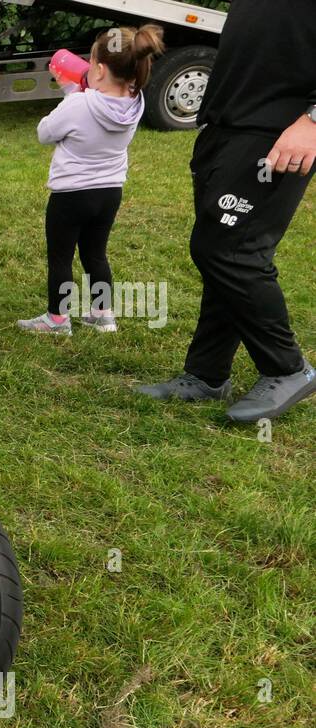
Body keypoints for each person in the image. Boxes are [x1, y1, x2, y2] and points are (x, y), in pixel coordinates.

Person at [137, 0, 316, 422]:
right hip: (227, 123)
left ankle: (286, 367)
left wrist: (312, 120)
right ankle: (207, 374)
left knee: (229, 249)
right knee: (222, 254)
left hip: (277, 131)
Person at [19, 25, 164, 335]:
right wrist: (76, 92)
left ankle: (57, 320)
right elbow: (98, 108)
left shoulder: (78, 104)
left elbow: (45, 133)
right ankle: (102, 314)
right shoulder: (136, 102)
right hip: (109, 193)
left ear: (98, 68)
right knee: (95, 254)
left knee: (61, 257)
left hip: (71, 194)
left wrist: (70, 92)